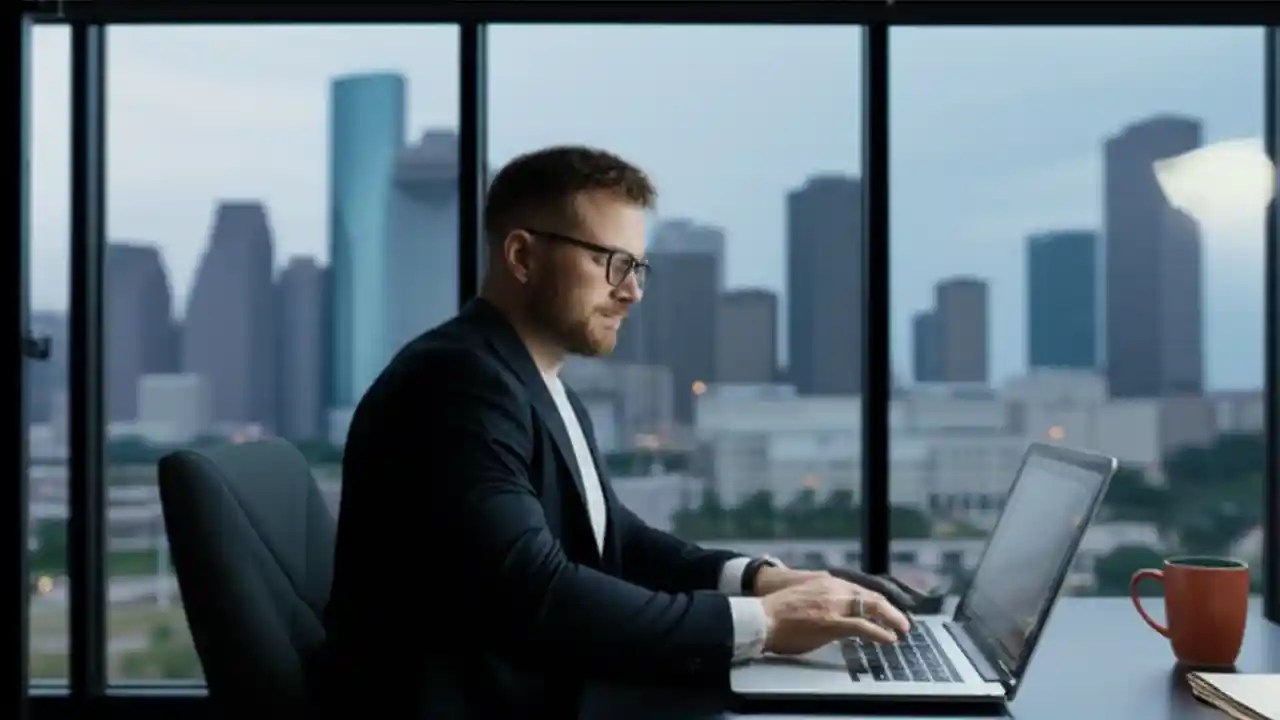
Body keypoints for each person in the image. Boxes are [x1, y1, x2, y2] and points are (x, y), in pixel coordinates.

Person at [315, 145, 912, 718]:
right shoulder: (457, 383)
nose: (631, 291)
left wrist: (760, 580)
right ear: (522, 257)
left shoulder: (537, 383)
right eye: (612, 263)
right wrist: (767, 626)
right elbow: (535, 593)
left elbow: (614, 543)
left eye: (638, 267)